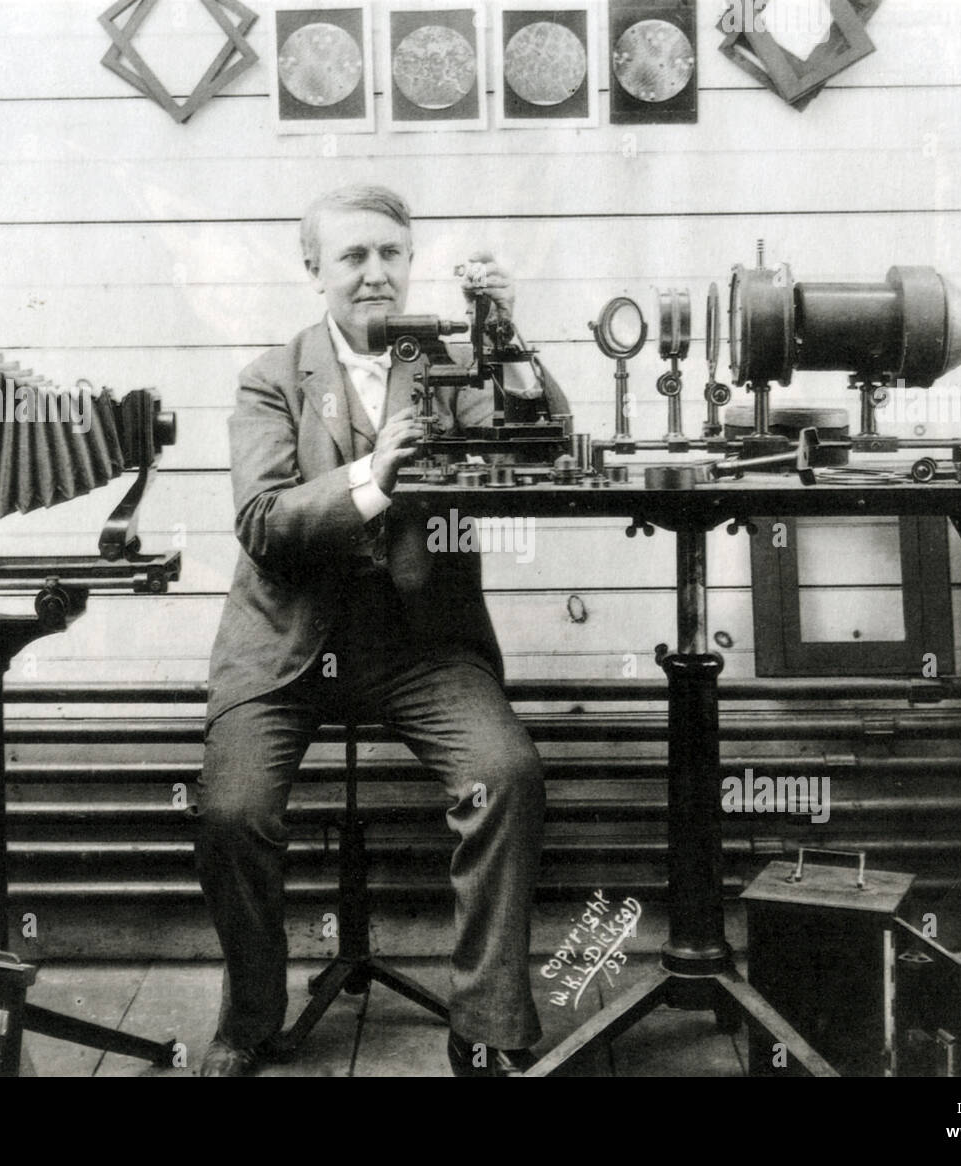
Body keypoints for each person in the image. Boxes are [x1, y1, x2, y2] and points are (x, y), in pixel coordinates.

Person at [195, 184, 570, 1077]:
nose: (374, 274)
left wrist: (507, 341)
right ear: (315, 268)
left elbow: (548, 443)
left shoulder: (450, 361)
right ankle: (251, 1017)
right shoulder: (270, 377)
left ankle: (485, 1021)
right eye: (354, 257)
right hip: (287, 644)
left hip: (420, 645)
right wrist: (372, 475)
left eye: (390, 256)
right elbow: (262, 522)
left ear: (410, 263)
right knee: (231, 813)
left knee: (506, 774)